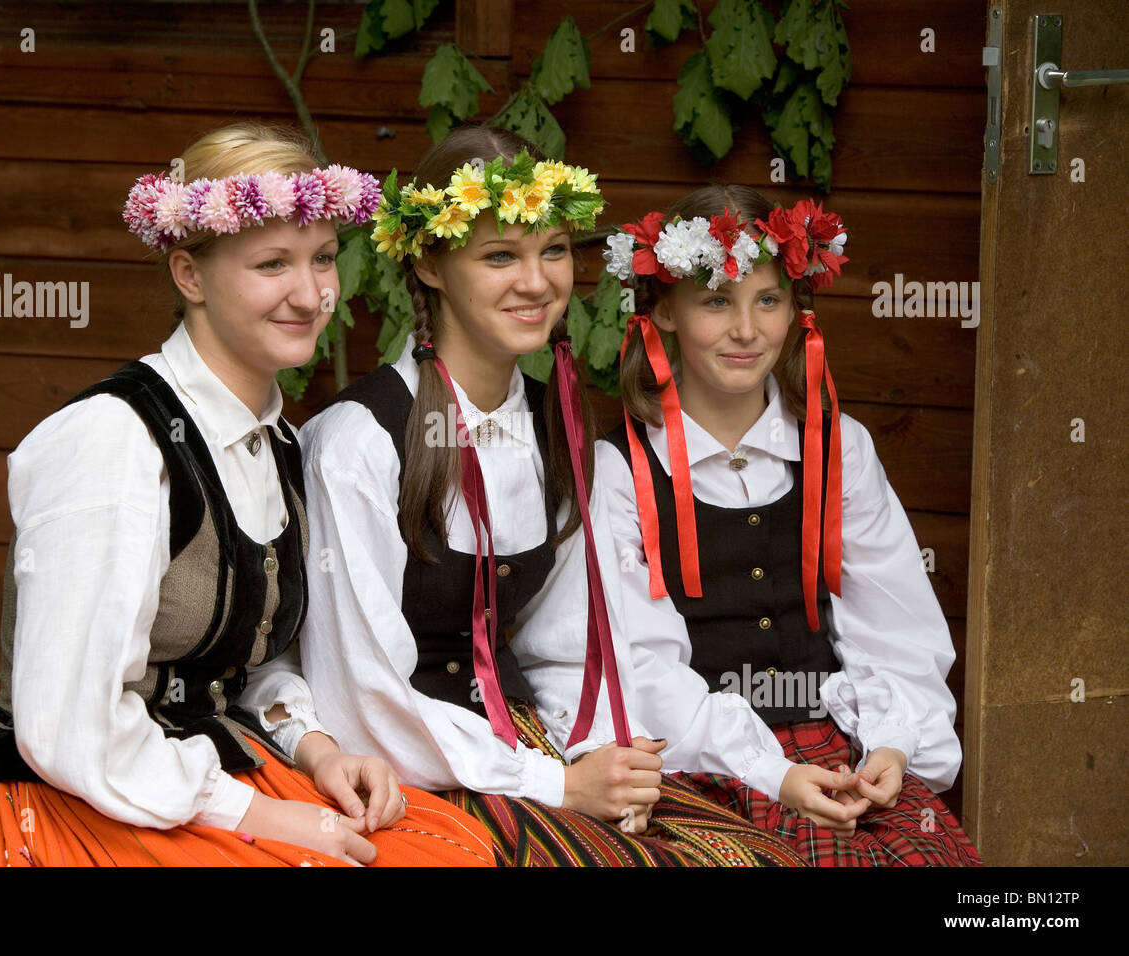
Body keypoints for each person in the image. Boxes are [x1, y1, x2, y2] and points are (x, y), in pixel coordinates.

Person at [0, 122, 495, 867]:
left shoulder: (279, 443)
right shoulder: (113, 442)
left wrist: (319, 751)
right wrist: (260, 815)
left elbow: (248, 663)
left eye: (323, 259)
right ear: (189, 274)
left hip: (206, 775)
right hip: (76, 800)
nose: (311, 293)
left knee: (454, 850)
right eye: (271, 264)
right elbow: (68, 724)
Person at [297, 128, 804, 867]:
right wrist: (554, 784)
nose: (538, 283)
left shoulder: (559, 427)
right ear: (431, 264)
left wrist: (599, 759)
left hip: (526, 747)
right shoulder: (359, 444)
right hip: (407, 769)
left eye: (555, 250)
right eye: (501, 255)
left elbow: (568, 649)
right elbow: (362, 699)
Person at [596, 183, 982, 865]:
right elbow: (641, 669)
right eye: (717, 301)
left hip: (835, 753)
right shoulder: (619, 470)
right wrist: (769, 773)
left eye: (767, 301)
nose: (747, 331)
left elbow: (895, 628)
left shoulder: (839, 449)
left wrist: (891, 745)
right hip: (699, 764)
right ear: (663, 315)